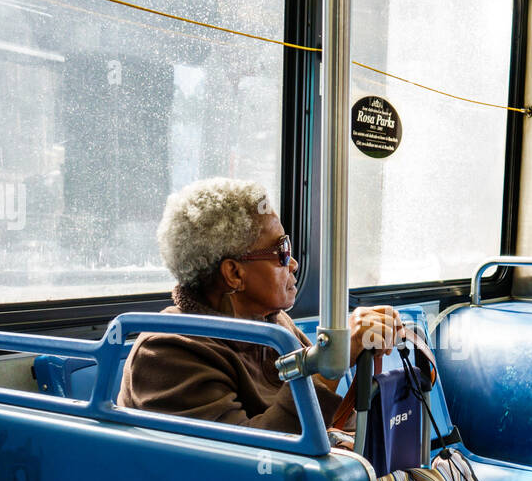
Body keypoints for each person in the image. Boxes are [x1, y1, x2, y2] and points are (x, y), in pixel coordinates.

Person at [118, 177, 402, 441]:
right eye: (282, 251)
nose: (293, 264)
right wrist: (329, 365)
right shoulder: (168, 352)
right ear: (234, 273)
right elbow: (249, 456)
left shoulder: (274, 325)